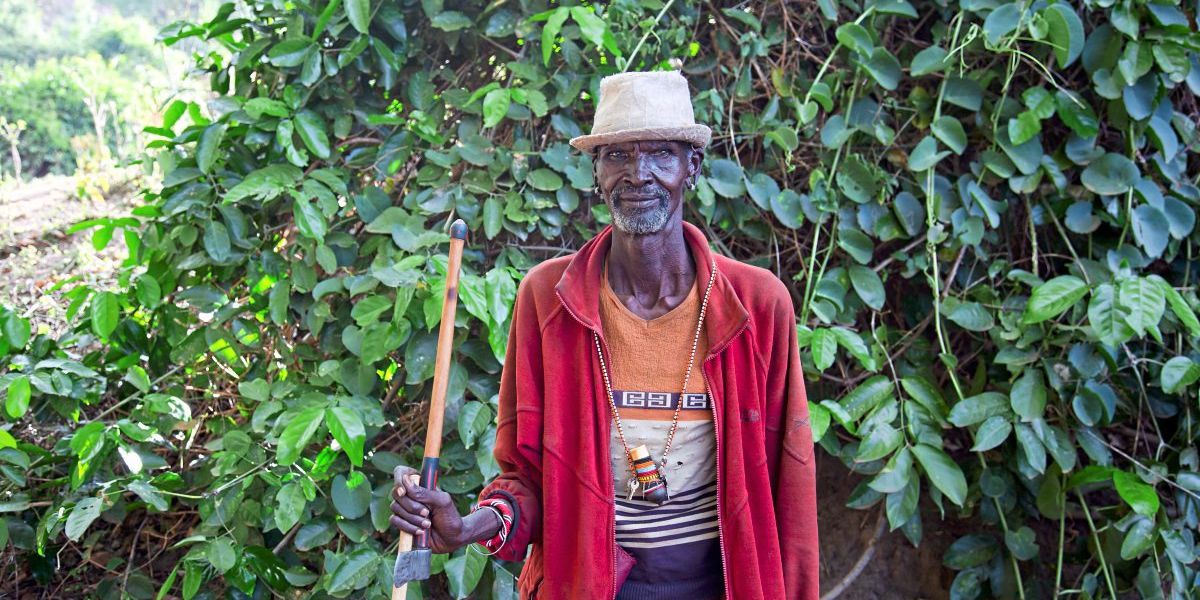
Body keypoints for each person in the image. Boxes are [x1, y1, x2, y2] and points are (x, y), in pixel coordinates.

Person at [391, 70, 818, 600]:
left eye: (661, 153)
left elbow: (791, 487)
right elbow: (525, 475)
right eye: (617, 155)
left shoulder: (756, 306)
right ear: (596, 172)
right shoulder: (548, 299)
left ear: (693, 167)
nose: (638, 174)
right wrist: (464, 528)